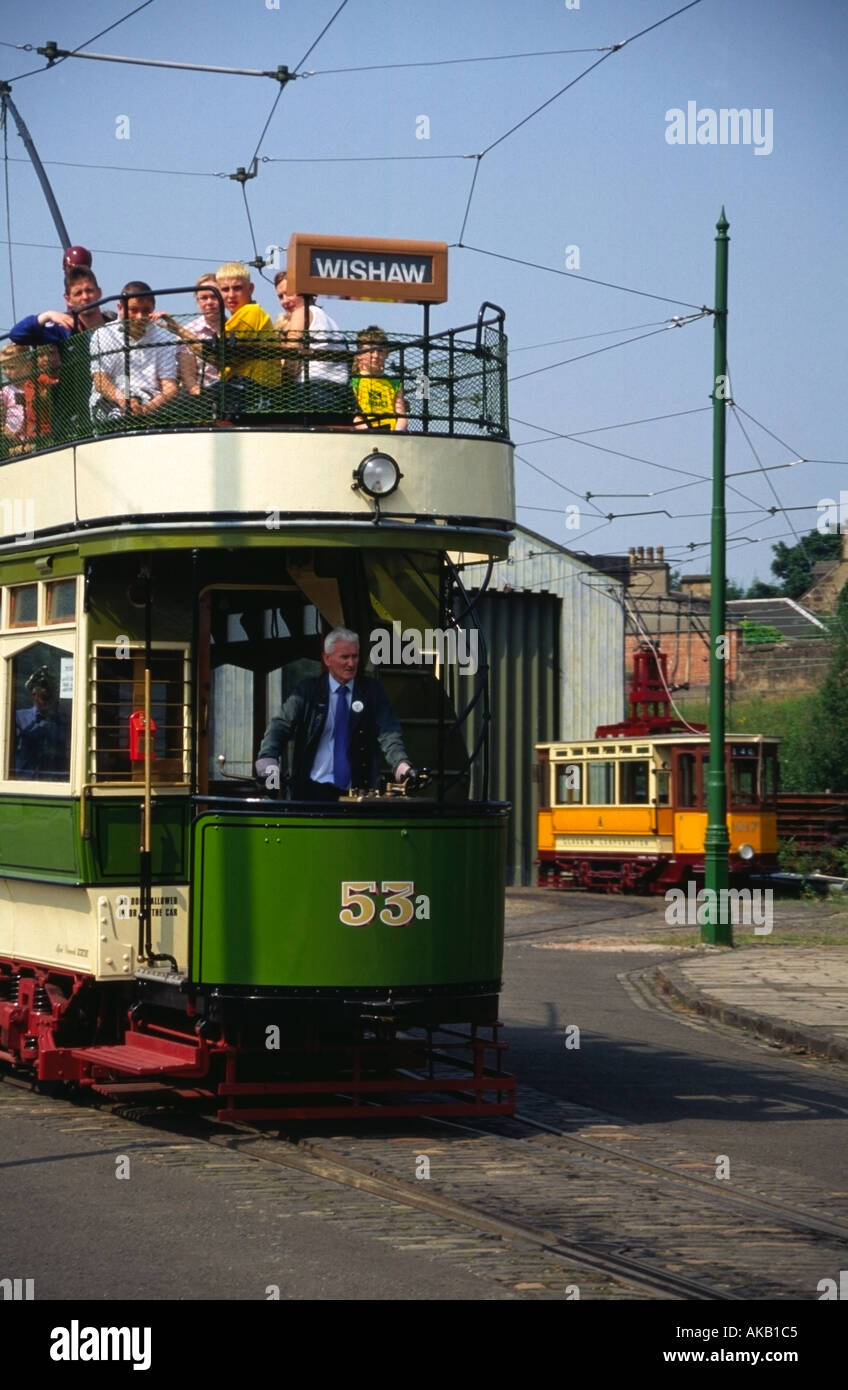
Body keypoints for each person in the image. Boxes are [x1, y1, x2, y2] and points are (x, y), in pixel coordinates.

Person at [255, 627, 415, 801]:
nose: (351, 663)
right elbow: (280, 725)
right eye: (345, 657)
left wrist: (401, 764)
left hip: (357, 793)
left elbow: (388, 731)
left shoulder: (371, 691)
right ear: (327, 659)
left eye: (355, 656)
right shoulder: (308, 691)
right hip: (311, 792)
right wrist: (268, 758)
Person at [89, 281, 179, 424]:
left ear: (153, 309)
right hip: (111, 401)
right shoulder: (103, 334)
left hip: (152, 403)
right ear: (120, 307)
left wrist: (148, 408)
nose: (139, 316)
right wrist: (125, 401)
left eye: (145, 311)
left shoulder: (164, 337)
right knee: (119, 418)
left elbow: (170, 387)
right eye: (133, 310)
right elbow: (101, 381)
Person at [275, 269, 351, 423]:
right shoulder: (329, 320)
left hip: (312, 393)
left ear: (303, 291)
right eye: (280, 296)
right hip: (342, 395)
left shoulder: (302, 312)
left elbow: (291, 356)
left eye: (289, 293)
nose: (284, 301)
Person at [212, 261, 280, 405]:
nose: (231, 295)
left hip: (251, 391)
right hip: (242, 389)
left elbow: (214, 353)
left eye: (237, 288)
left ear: (250, 289)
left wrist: (178, 330)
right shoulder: (240, 316)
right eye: (225, 289)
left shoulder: (251, 312)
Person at [153, 273, 225, 396]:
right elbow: (189, 378)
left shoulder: (236, 326)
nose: (209, 302)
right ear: (197, 301)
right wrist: (202, 396)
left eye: (214, 297)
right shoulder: (188, 331)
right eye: (204, 298)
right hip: (206, 395)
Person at [0, 341, 59, 453]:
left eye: (12, 367)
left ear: (27, 366)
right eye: (4, 368)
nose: (7, 372)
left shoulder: (35, 384)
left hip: (35, 436)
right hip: (13, 439)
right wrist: (8, 434)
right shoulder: (5, 391)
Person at [351, 326, 408, 432]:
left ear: (387, 354)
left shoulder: (394, 383)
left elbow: (401, 415)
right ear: (359, 354)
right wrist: (367, 431)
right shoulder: (353, 380)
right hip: (365, 432)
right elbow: (354, 415)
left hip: (391, 433)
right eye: (371, 351)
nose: (376, 356)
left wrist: (398, 431)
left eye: (380, 351)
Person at [15, 667, 68, 779]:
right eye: (44, 697)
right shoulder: (19, 718)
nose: (48, 701)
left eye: (51, 696)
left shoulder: (63, 722)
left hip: (54, 784)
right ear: (34, 695)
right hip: (21, 783)